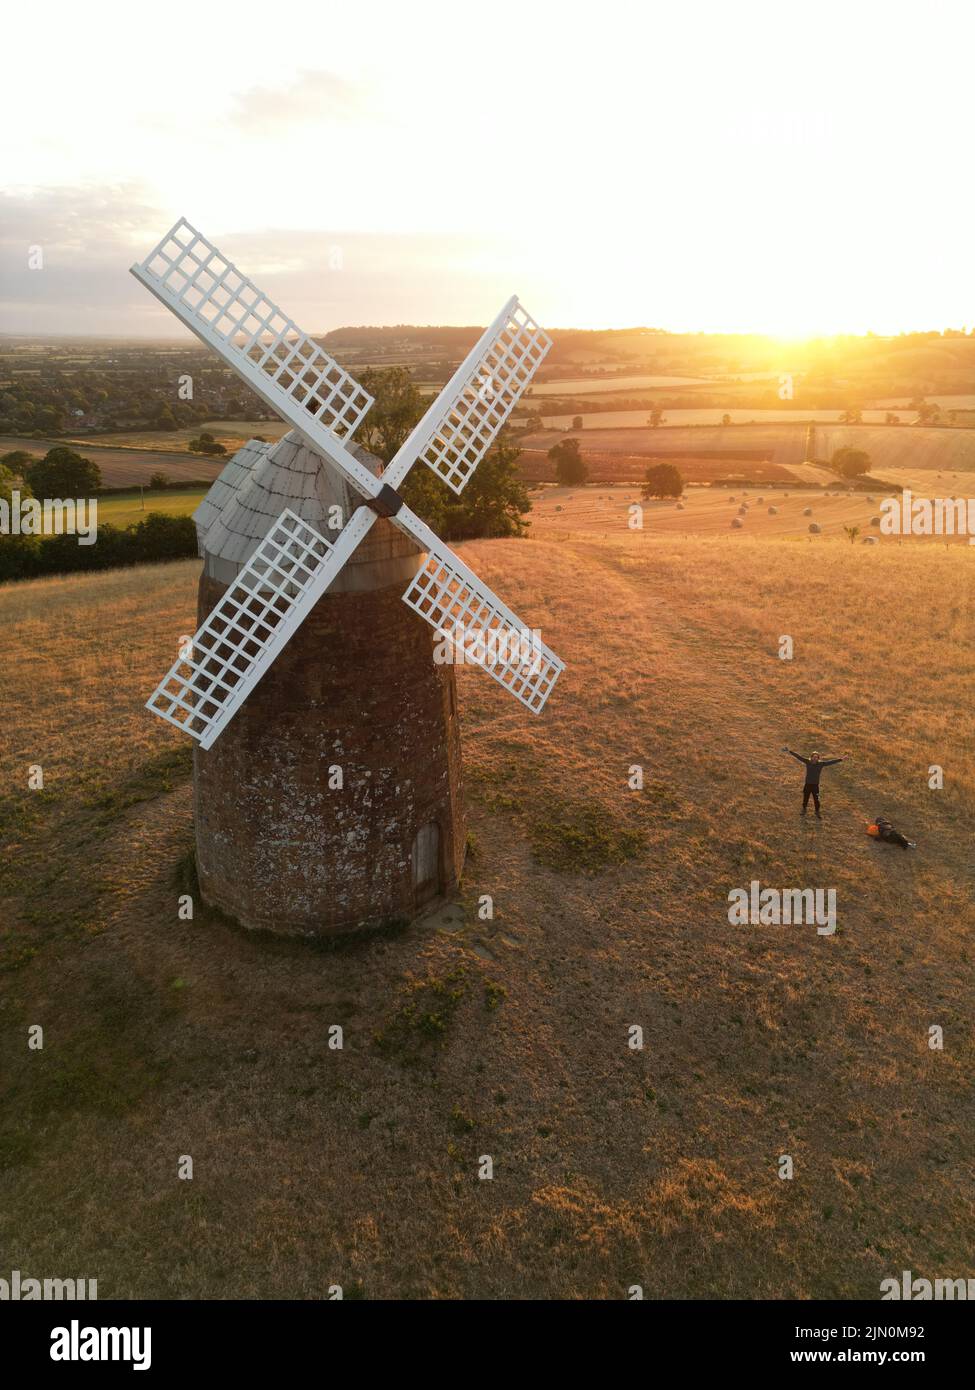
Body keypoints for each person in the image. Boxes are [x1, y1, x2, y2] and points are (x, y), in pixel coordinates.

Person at [782, 746, 846, 818]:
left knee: (817, 799)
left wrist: (840, 759)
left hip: (815, 786)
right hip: (807, 784)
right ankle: (804, 809)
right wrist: (790, 751)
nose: (815, 758)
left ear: (818, 758)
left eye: (816, 757)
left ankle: (817, 811)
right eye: (814, 757)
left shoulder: (821, 764)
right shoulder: (807, 762)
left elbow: (830, 762)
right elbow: (799, 757)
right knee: (805, 798)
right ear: (811, 757)